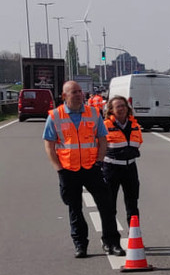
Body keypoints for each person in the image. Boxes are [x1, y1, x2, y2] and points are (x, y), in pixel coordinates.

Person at [44, 81, 121, 258]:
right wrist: (59, 170)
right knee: (75, 209)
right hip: (68, 170)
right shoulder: (55, 116)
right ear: (64, 96)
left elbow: (102, 139)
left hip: (91, 167)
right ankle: (80, 245)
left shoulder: (93, 113)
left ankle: (112, 242)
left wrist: (100, 161)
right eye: (74, 92)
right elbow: (49, 145)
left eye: (80, 91)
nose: (79, 95)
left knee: (106, 205)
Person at [102, 96, 143, 229]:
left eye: (123, 106)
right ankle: (111, 238)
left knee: (132, 205)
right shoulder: (105, 126)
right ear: (111, 110)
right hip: (111, 169)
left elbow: (138, 143)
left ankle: (134, 235)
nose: (121, 109)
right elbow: (99, 146)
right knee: (109, 205)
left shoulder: (135, 125)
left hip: (130, 168)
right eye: (118, 106)